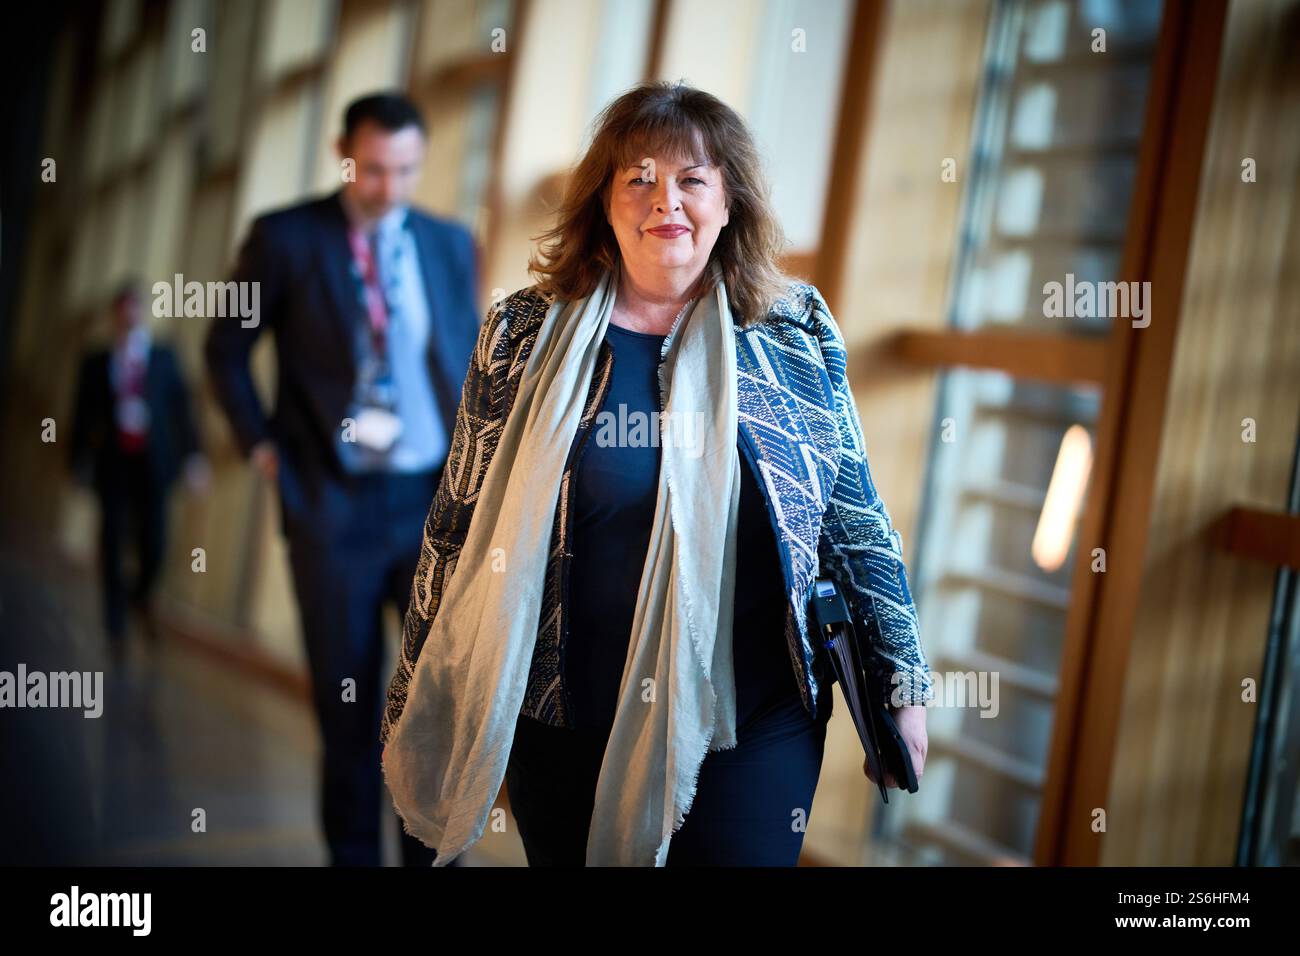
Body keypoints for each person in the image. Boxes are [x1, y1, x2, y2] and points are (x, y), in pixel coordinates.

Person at [381, 81, 933, 867]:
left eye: (691, 180)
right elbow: (454, 525)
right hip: (566, 720)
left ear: (730, 201)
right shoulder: (520, 332)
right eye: (638, 177)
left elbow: (853, 518)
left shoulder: (793, 329)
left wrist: (900, 684)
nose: (663, 201)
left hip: (753, 720)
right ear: (603, 202)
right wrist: (408, 702)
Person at [204, 92, 480, 867]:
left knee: (435, 709)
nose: (390, 188)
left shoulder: (449, 243)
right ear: (343, 154)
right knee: (347, 706)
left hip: (431, 502)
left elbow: (466, 362)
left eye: (406, 170)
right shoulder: (285, 239)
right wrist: (261, 446)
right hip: (332, 502)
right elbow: (225, 349)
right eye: (374, 169)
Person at [69, 281, 209, 665]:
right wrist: (77, 462)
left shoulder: (163, 357)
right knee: (112, 538)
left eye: (135, 308)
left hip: (153, 465)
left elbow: (183, 411)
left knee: (155, 541)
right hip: (114, 464)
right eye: (122, 309)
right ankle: (114, 618)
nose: (129, 316)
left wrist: (194, 456)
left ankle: (140, 594)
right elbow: (82, 416)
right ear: (115, 314)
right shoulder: (97, 361)